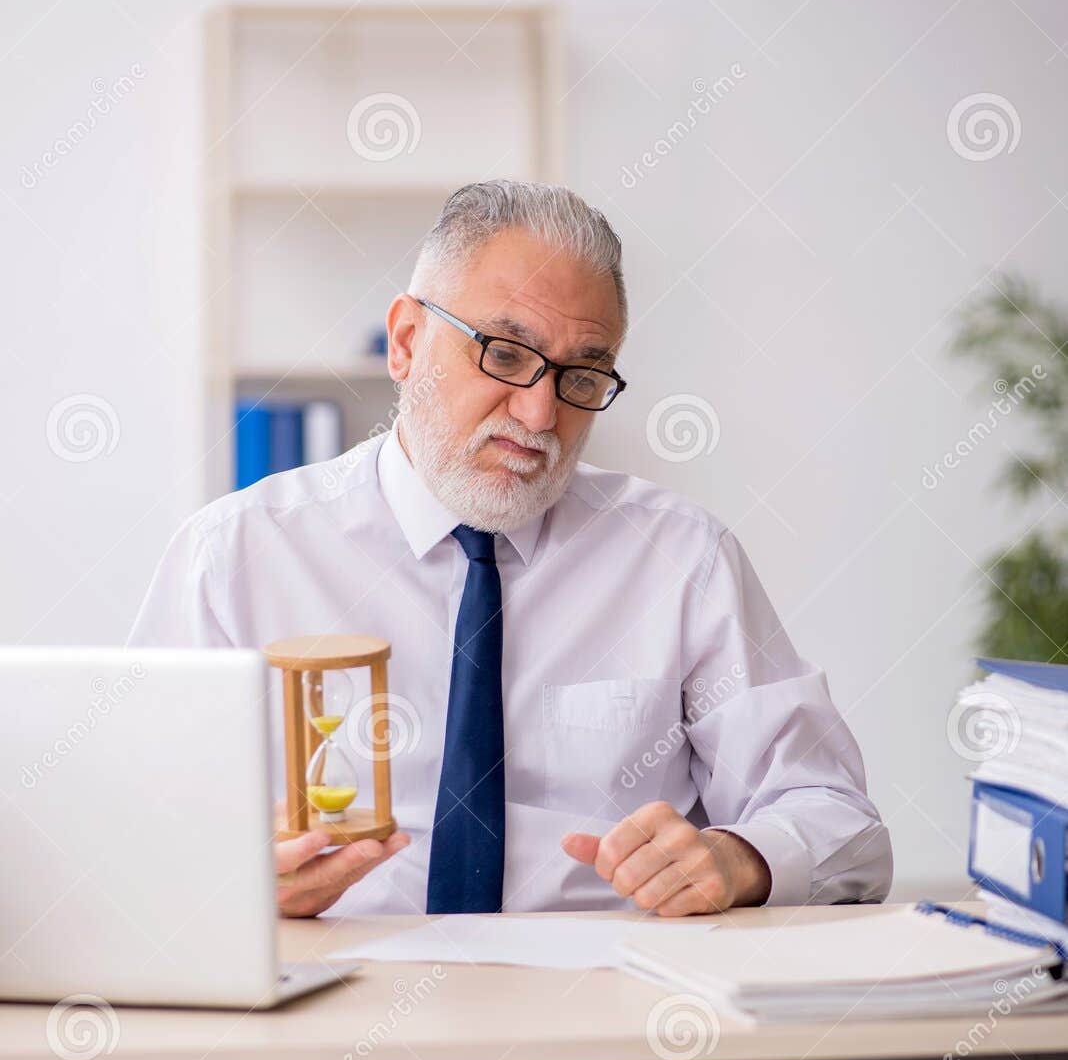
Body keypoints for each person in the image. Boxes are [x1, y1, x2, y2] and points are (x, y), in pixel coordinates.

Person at [129, 180, 892, 918]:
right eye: (504, 353)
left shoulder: (681, 559)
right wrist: (233, 884)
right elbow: (129, 832)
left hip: (609, 1006)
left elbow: (841, 824)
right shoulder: (235, 557)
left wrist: (741, 858)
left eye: (583, 375)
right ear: (405, 342)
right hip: (326, 1000)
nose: (538, 412)